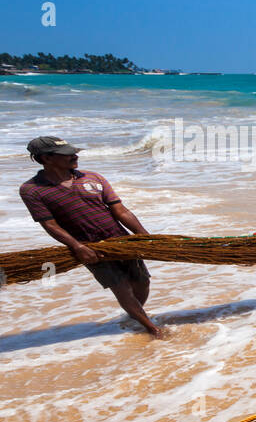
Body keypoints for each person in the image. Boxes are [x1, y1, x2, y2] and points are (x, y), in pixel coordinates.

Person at [18, 136, 161, 337]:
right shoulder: (32, 190)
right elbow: (49, 224)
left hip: (120, 240)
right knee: (120, 287)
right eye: (67, 154)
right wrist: (77, 247)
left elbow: (121, 211)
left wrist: (145, 237)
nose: (74, 156)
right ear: (46, 158)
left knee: (142, 282)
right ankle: (151, 329)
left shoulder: (93, 177)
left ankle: (134, 315)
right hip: (90, 248)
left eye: (73, 152)